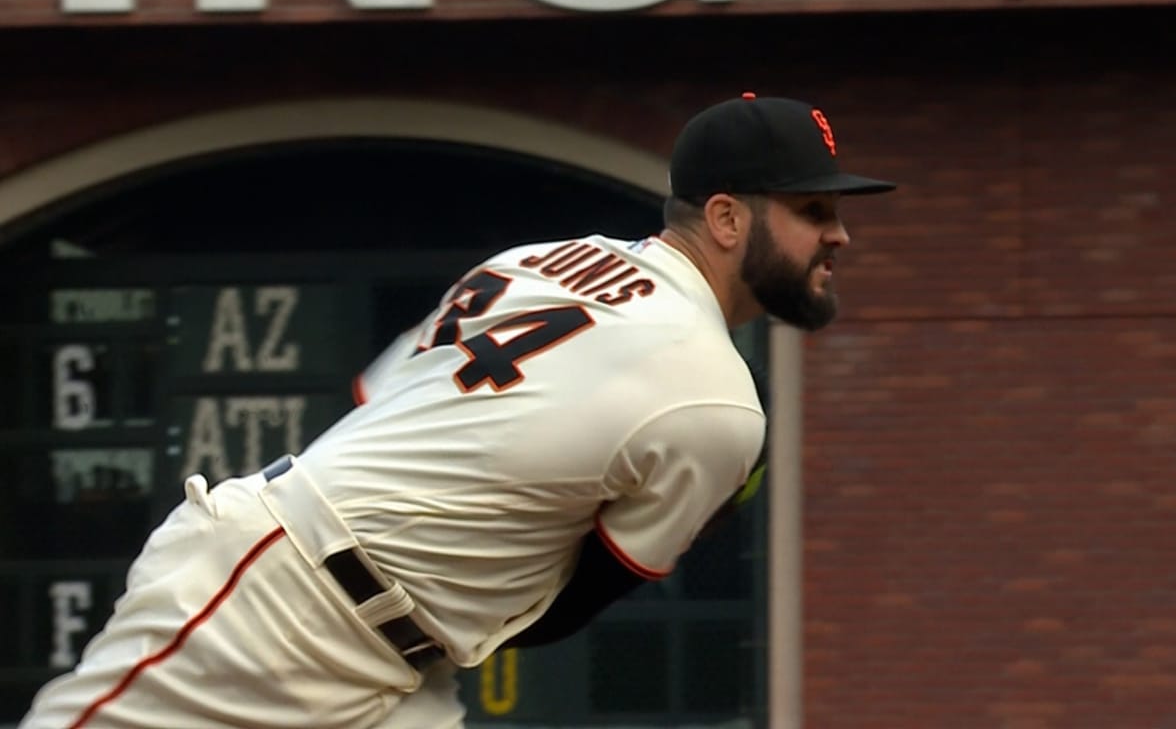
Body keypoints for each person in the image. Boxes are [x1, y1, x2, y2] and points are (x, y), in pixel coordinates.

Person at [21, 92, 896, 729]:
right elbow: (566, 611)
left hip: (400, 672)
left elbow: (377, 394)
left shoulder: (541, 260)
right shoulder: (716, 401)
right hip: (277, 605)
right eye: (813, 210)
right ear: (728, 217)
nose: (839, 234)